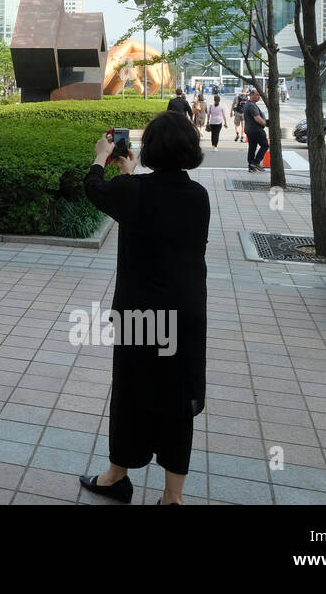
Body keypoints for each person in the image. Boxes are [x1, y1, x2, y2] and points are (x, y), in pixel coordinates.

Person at [80, 114, 209, 505]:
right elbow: (159, 211)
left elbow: (94, 189)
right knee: (176, 398)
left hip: (140, 317)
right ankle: (173, 498)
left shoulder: (133, 191)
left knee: (132, 392)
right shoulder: (198, 195)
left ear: (150, 148)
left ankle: (117, 476)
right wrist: (132, 175)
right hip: (185, 313)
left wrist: (101, 157)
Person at [243, 88, 269, 171]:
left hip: (250, 130)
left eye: (259, 95)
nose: (259, 97)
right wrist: (266, 124)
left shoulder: (249, 104)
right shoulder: (251, 105)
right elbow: (257, 118)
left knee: (252, 147)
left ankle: (251, 165)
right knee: (265, 145)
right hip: (256, 130)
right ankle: (256, 162)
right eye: (257, 95)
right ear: (251, 95)